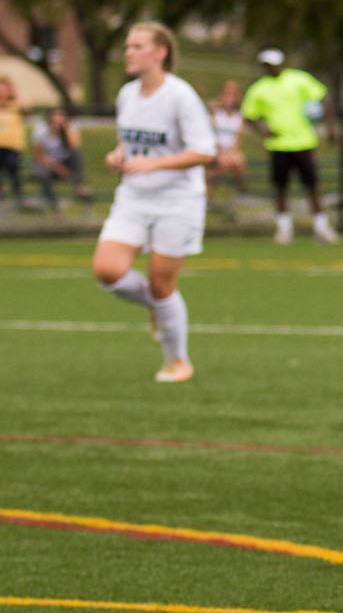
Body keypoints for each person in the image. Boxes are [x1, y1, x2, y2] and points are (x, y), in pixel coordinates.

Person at [90, 22, 216, 383]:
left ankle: (178, 361)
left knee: (162, 285)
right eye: (128, 46)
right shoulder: (127, 94)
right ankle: (157, 308)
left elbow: (204, 151)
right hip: (134, 196)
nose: (128, 52)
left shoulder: (180, 95)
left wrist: (154, 164)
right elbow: (130, 143)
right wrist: (119, 155)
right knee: (107, 272)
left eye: (137, 46)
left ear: (160, 53)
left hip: (178, 201)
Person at [241, 48, 339, 244]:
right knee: (280, 188)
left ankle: (321, 227)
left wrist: (330, 127)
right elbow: (248, 116)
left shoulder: (298, 79)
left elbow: (323, 97)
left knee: (312, 187)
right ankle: (284, 229)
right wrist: (263, 131)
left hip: (303, 142)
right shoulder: (259, 89)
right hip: (278, 145)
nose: (271, 68)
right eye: (267, 65)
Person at [31, 108, 93, 212]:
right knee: (44, 174)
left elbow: (74, 146)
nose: (57, 124)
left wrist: (65, 129)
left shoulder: (70, 128)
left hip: (64, 161)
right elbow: (39, 157)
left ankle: (79, 186)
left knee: (77, 154)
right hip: (47, 165)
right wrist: (57, 167)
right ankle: (55, 209)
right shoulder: (41, 131)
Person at [207, 79, 248, 199]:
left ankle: (242, 194)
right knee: (221, 164)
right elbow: (211, 135)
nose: (228, 97)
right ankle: (209, 196)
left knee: (238, 162)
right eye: (226, 93)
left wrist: (230, 152)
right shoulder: (214, 112)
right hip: (215, 149)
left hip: (231, 151)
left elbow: (238, 138)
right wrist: (220, 151)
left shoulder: (240, 115)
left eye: (232, 94)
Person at [0, 75, 27, 206]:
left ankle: (19, 195)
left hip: (12, 146)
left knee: (12, 167)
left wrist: (15, 95)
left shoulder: (15, 105)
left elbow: (27, 110)